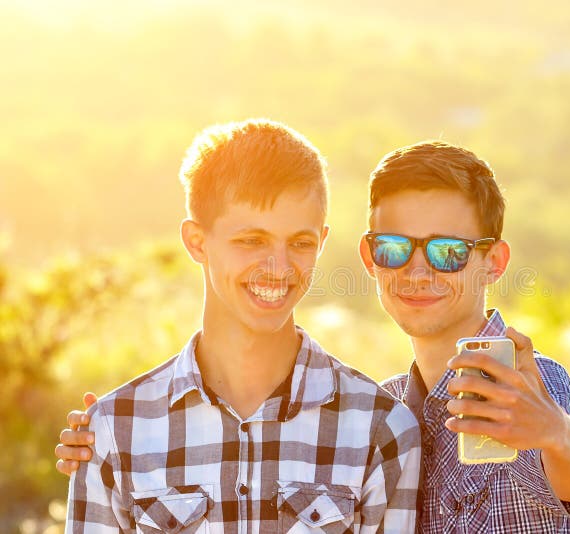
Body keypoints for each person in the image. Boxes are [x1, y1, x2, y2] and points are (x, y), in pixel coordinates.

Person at [58, 140, 570, 532]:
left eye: (448, 251)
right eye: (396, 248)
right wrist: (111, 430)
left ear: (495, 262)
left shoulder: (526, 388)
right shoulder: (395, 411)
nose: (418, 271)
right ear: (370, 258)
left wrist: (555, 432)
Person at [63, 119, 421, 533]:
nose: (279, 267)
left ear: (321, 242)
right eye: (252, 240)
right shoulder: (113, 433)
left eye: (300, 243)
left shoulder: (382, 432)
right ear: (197, 241)